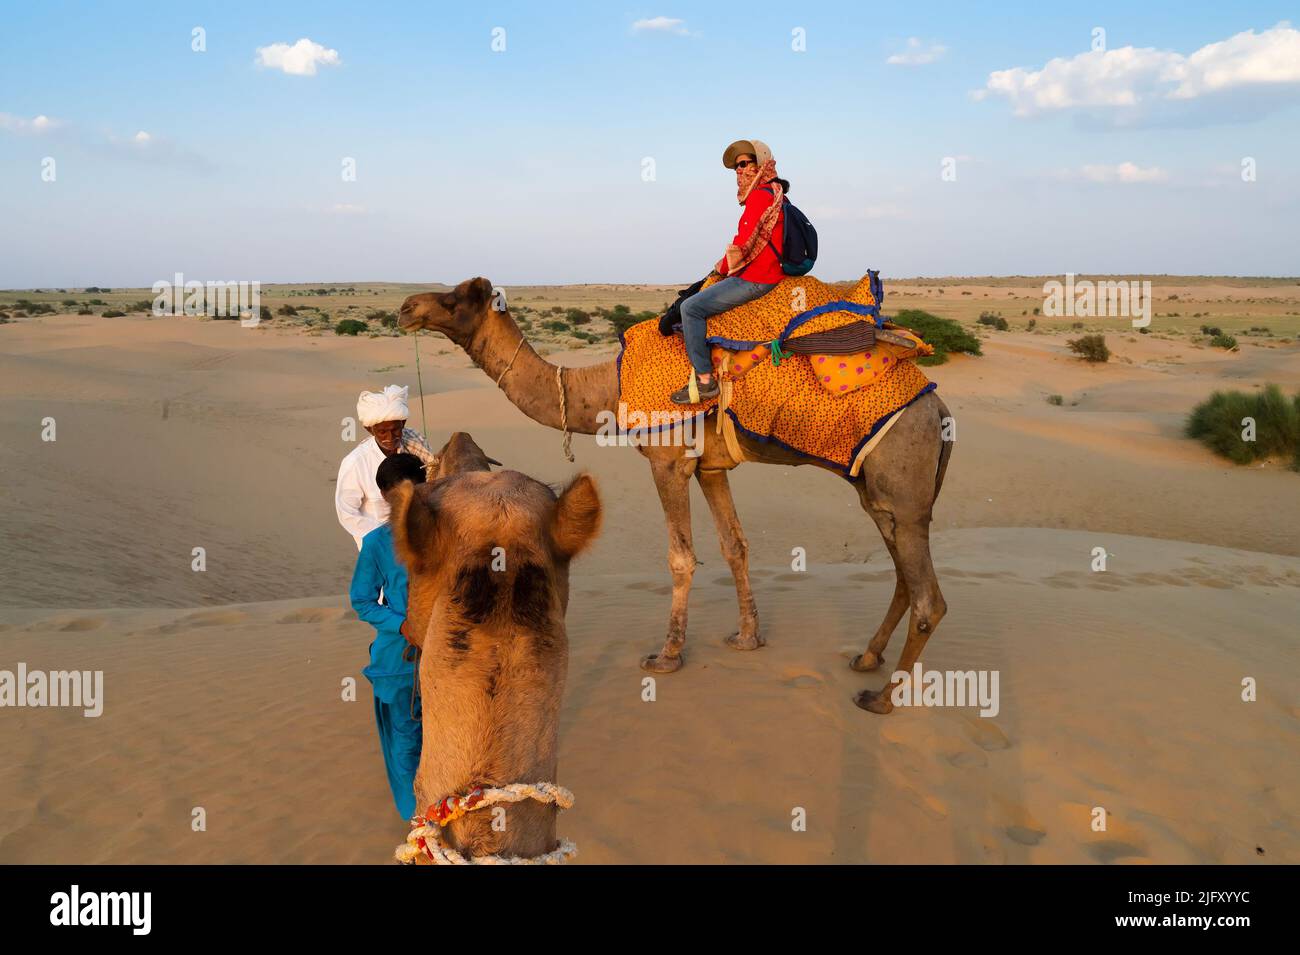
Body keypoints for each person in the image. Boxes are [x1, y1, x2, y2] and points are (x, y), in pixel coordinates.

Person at [672, 138, 788, 405]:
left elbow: (743, 244)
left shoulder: (760, 196)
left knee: (690, 308)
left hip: (757, 278)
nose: (739, 171)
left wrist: (720, 267)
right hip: (765, 272)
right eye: (737, 166)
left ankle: (704, 381)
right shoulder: (776, 192)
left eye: (745, 163)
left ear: (761, 164)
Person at [349, 452, 426, 821]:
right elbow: (362, 600)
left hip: (450, 661)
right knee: (407, 745)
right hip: (400, 662)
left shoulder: (448, 532)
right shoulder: (378, 543)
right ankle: (420, 830)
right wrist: (402, 625)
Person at [336, 384, 438, 549]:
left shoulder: (416, 445)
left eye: (395, 430)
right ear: (370, 429)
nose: (390, 437)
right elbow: (347, 513)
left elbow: (432, 478)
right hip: (378, 547)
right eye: (383, 432)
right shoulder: (356, 463)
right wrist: (382, 538)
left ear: (403, 424)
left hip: (420, 542)